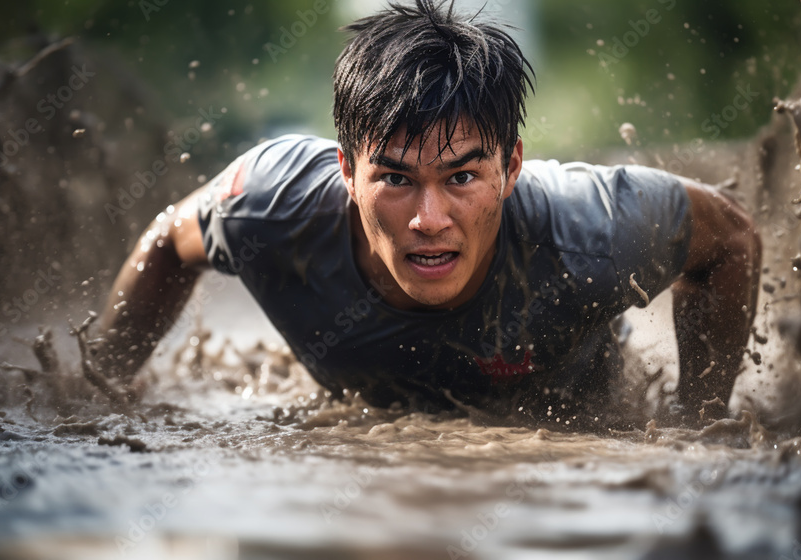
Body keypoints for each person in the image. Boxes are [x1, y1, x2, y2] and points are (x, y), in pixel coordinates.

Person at [92, 0, 761, 427]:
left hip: (570, 405)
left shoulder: (588, 226)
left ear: (512, 167)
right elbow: (168, 239)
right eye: (396, 178)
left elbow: (732, 238)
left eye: (463, 175)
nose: (429, 218)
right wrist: (101, 389)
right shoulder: (273, 205)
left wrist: (699, 425)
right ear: (347, 170)